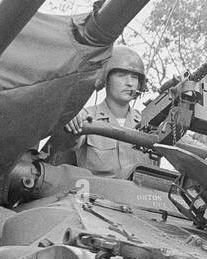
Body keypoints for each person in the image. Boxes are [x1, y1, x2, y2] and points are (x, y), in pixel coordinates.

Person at [47, 45, 149, 179]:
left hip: (139, 198)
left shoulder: (147, 124)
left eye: (134, 77)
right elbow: (66, 146)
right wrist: (71, 119)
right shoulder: (86, 117)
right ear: (105, 79)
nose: (129, 83)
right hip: (93, 195)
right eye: (121, 75)